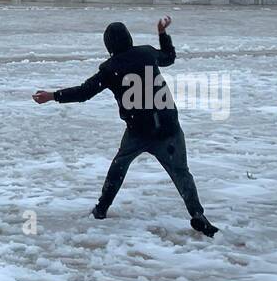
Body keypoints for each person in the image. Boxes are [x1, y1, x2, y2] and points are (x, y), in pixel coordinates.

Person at [33, 16, 218, 237]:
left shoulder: (110, 69)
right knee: (181, 173)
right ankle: (198, 214)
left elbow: (84, 92)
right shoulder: (147, 54)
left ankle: (101, 210)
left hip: (138, 131)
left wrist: (53, 96)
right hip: (168, 126)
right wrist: (162, 34)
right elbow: (169, 57)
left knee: (118, 168)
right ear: (129, 38)